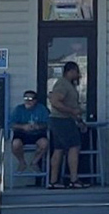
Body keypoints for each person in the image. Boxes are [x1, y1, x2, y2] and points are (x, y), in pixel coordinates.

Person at [48, 61, 89, 189]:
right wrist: (72, 111)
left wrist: (79, 121)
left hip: (63, 120)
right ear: (70, 71)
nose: (78, 75)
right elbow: (55, 102)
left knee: (59, 149)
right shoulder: (62, 84)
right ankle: (74, 179)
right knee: (74, 147)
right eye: (76, 72)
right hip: (62, 120)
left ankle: (54, 181)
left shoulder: (68, 85)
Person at [9, 90, 50, 172]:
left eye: (30, 99)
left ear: (35, 100)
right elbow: (11, 124)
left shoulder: (42, 109)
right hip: (21, 134)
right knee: (15, 144)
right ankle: (22, 162)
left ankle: (34, 162)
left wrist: (38, 126)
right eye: (25, 98)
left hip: (37, 134)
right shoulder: (18, 109)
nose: (27, 101)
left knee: (44, 143)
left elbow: (48, 123)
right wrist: (23, 126)